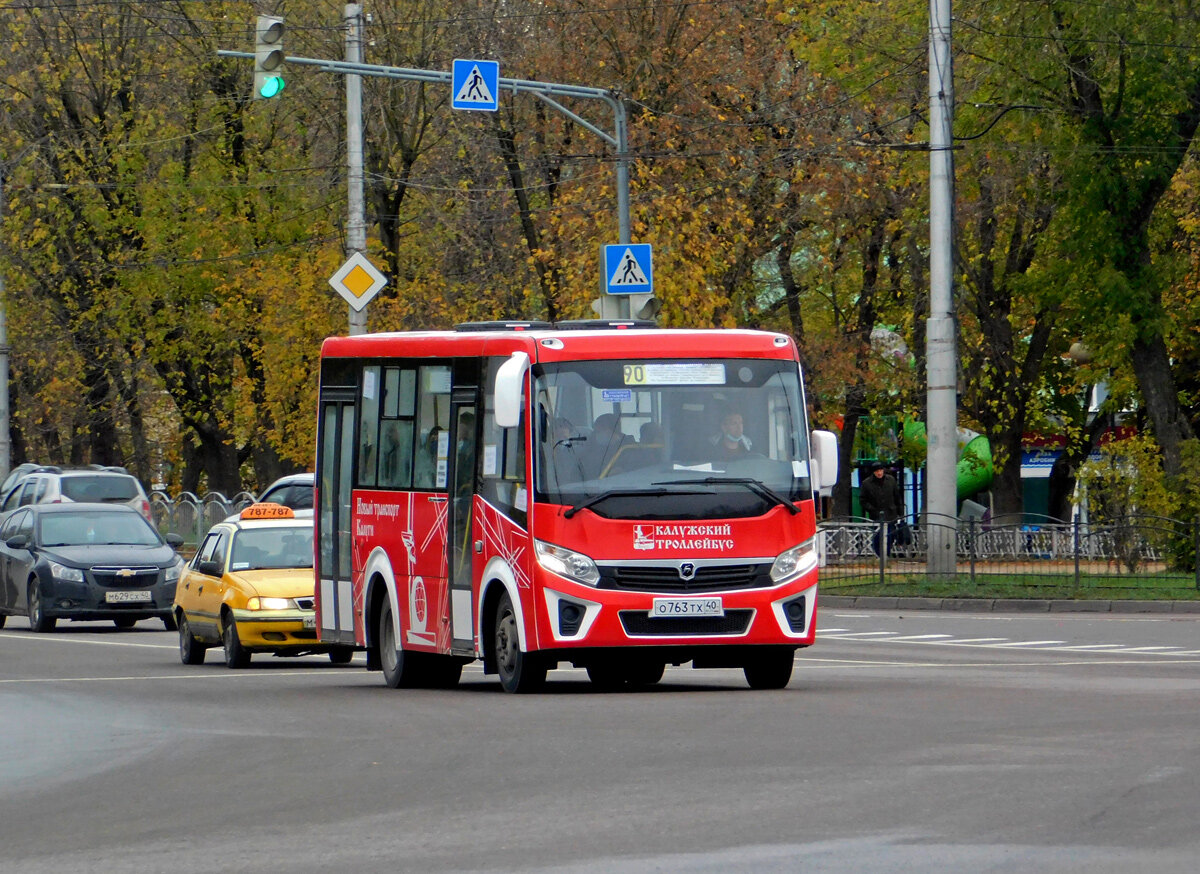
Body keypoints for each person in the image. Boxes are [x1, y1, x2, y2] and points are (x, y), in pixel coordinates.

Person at [859, 461, 903, 555]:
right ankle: (880, 556)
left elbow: (897, 497)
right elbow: (863, 501)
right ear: (873, 472)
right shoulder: (867, 483)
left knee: (890, 536)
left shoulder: (891, 480)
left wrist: (900, 513)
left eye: (880, 470)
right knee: (878, 537)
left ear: (883, 470)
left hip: (891, 514)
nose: (879, 473)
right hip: (876, 515)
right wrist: (872, 509)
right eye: (876, 471)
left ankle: (886, 556)